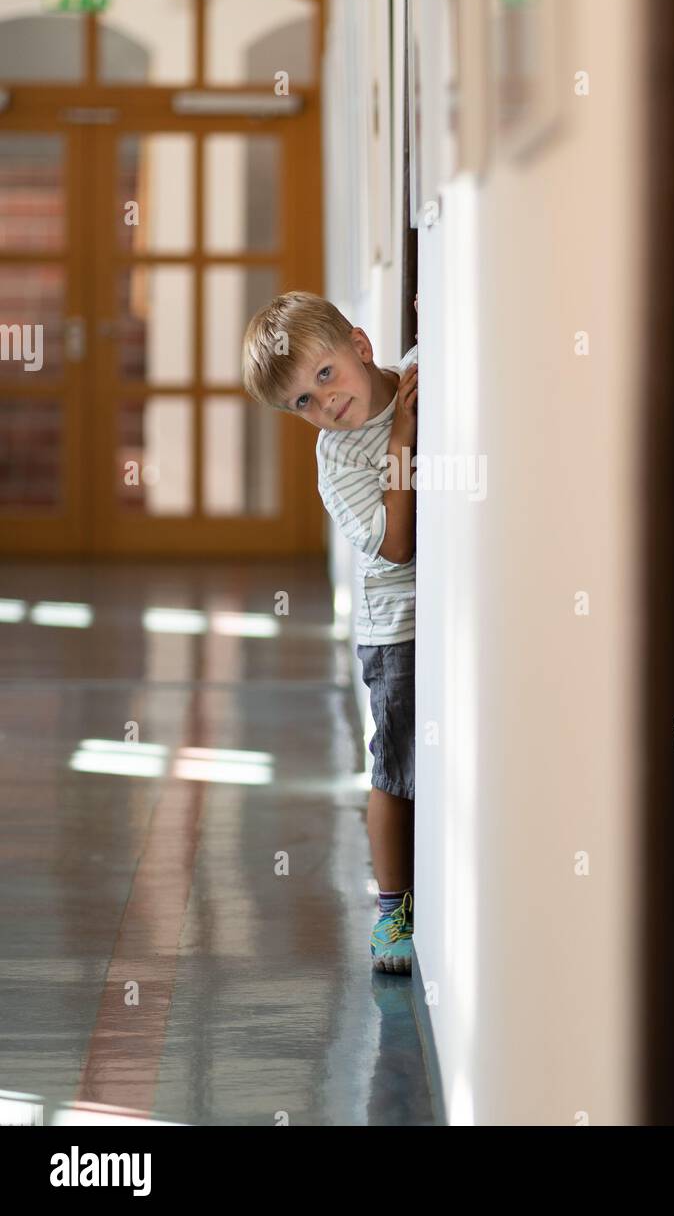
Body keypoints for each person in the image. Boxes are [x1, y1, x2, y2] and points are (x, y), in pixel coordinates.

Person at [242, 291, 419, 973]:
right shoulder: (338, 462)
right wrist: (401, 441)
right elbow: (397, 544)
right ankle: (391, 911)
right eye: (301, 404)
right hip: (395, 628)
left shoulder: (412, 376)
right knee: (395, 772)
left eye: (325, 375)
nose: (324, 403)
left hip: (441, 617)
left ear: (361, 346)